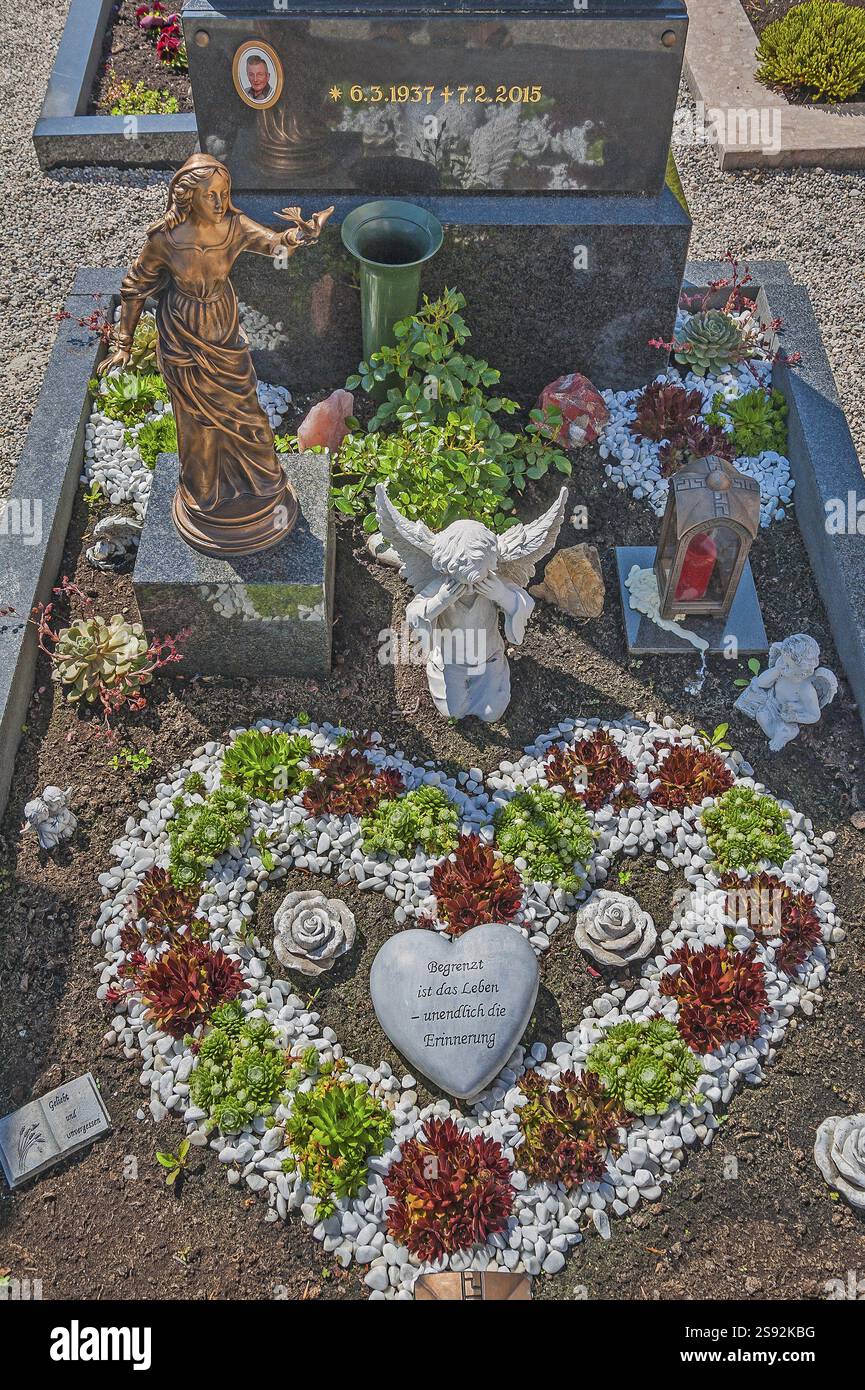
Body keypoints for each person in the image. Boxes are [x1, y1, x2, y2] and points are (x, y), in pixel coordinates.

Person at [98, 153, 333, 556]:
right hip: (182, 337)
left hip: (222, 330)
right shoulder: (165, 240)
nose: (222, 202)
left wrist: (302, 235)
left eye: (225, 193)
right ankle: (204, 493)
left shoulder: (234, 227)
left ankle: (262, 483)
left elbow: (275, 243)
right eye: (212, 196)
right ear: (189, 198)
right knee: (196, 422)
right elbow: (134, 287)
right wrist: (122, 344)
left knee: (246, 407)